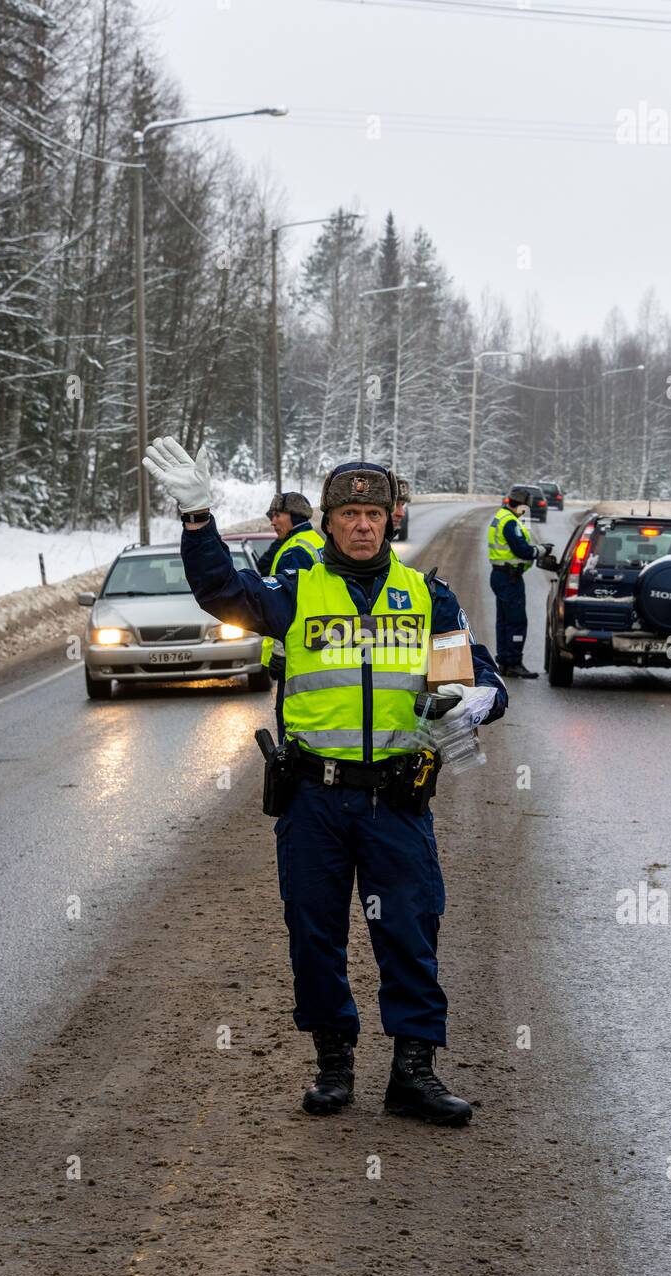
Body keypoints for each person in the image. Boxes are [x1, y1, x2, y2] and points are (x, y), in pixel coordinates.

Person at [142, 437, 507, 1127]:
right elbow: (220, 589)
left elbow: (477, 676)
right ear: (329, 523)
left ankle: (413, 1073)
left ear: (391, 520)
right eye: (349, 514)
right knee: (313, 933)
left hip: (397, 799)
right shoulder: (290, 591)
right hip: (314, 798)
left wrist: (478, 699)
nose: (363, 525)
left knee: (409, 933)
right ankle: (332, 1065)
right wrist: (197, 517)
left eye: (374, 514)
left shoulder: (427, 597)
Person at [257, 492, 322, 739]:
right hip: (313, 648)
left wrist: (280, 654)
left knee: (289, 725)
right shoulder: (314, 541)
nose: (272, 521)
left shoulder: (294, 552)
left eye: (277, 515)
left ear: (293, 516)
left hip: (294, 655)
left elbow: (287, 609)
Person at [488, 485, 550, 679]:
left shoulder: (502, 517)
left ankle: (505, 662)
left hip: (501, 575)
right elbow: (522, 550)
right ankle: (514, 662)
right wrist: (541, 550)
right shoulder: (510, 523)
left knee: (504, 621)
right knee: (516, 622)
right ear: (522, 506)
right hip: (509, 578)